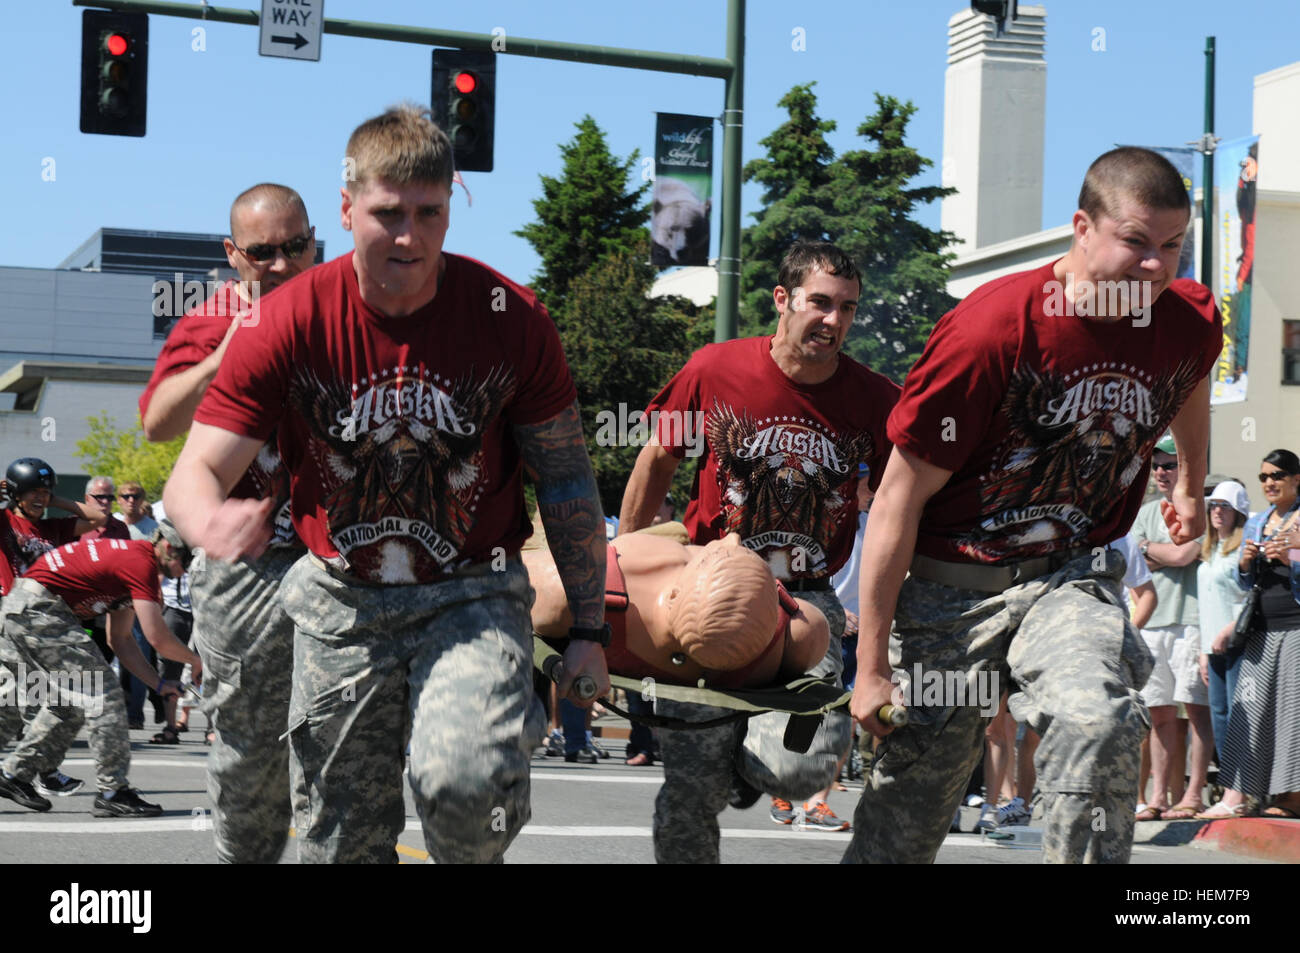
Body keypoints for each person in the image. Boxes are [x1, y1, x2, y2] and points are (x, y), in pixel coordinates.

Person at [164, 104, 609, 864]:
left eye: (429, 212)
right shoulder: (290, 319)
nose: (409, 236)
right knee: (340, 842)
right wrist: (205, 521)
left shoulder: (510, 318)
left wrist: (591, 631)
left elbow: (566, 478)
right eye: (387, 213)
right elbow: (195, 470)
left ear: (452, 206)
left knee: (465, 788)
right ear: (346, 208)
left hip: (470, 593)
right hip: (342, 603)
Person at [843, 147, 1223, 865]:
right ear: (1082, 227)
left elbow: (1192, 374)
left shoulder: (1186, 319)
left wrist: (1191, 482)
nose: (1157, 267)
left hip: (1068, 577)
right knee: (908, 815)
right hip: (951, 589)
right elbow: (897, 498)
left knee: (1098, 719)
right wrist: (869, 665)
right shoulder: (990, 332)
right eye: (1136, 242)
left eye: (1172, 245)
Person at [620, 240, 899, 858]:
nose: (834, 320)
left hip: (805, 601)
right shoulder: (715, 370)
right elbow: (657, 461)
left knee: (801, 770)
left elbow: (899, 503)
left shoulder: (877, 400)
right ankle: (715, 767)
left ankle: (742, 768)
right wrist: (623, 574)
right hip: (705, 594)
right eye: (820, 303)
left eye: (848, 308)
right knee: (690, 788)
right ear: (783, 299)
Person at [138, 182, 318, 863]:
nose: (279, 263)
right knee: (250, 746)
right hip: (244, 569)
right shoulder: (209, 322)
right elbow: (157, 423)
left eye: (294, 247)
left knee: (347, 740)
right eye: (262, 252)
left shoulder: (342, 308)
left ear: (313, 240)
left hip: (338, 561)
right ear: (232, 254)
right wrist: (224, 358)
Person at [0, 523, 200, 816]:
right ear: (169, 547)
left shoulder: (132, 563)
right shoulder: (139, 562)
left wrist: (158, 685)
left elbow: (120, 639)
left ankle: (14, 775)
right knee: (102, 693)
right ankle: (112, 791)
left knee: (67, 704)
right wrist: (196, 662)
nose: (187, 572)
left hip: (23, 611)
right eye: (189, 563)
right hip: (37, 610)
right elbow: (158, 637)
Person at [525, 529, 829, 687]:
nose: (732, 537)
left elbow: (502, 578)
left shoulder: (564, 591)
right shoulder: (796, 637)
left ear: (674, 594)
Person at [0, 458, 105, 800]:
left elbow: (98, 518)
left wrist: (52, 497)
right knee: (30, 699)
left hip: (42, 622)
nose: (40, 499)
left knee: (35, 698)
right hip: (10, 618)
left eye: (45, 492)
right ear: (15, 492)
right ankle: (37, 773)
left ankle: (38, 772)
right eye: (34, 492)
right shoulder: (3, 523)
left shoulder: (52, 530)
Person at [1131, 435, 1211, 821]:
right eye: (1156, 465)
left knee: (1196, 712)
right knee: (1158, 713)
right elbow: (1134, 562)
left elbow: (1182, 554)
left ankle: (1194, 795)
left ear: (1186, 468)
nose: (1161, 472)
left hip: (1191, 619)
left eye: (1169, 464)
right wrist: (1157, 553)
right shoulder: (1143, 511)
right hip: (1152, 623)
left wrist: (1151, 550)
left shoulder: (1203, 507)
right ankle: (1157, 797)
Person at [1217, 450, 1300, 818]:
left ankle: (1292, 796)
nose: (1269, 482)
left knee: (1291, 714)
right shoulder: (1256, 522)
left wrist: (1291, 558)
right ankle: (1249, 793)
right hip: (1260, 629)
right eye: (1264, 476)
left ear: (1297, 478)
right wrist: (1246, 564)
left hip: (1295, 625)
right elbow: (1243, 582)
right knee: (1251, 709)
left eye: (1278, 475)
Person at [1194, 480, 1250, 819]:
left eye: (1224, 506)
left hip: (1239, 645)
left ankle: (1238, 793)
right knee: (1220, 717)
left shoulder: (1244, 549)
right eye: (1213, 506)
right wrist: (1203, 648)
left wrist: (1230, 628)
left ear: (1238, 511)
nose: (1217, 511)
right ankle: (1230, 792)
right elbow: (1205, 606)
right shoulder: (1209, 550)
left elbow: (1253, 596)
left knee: (1239, 715)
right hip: (1212, 649)